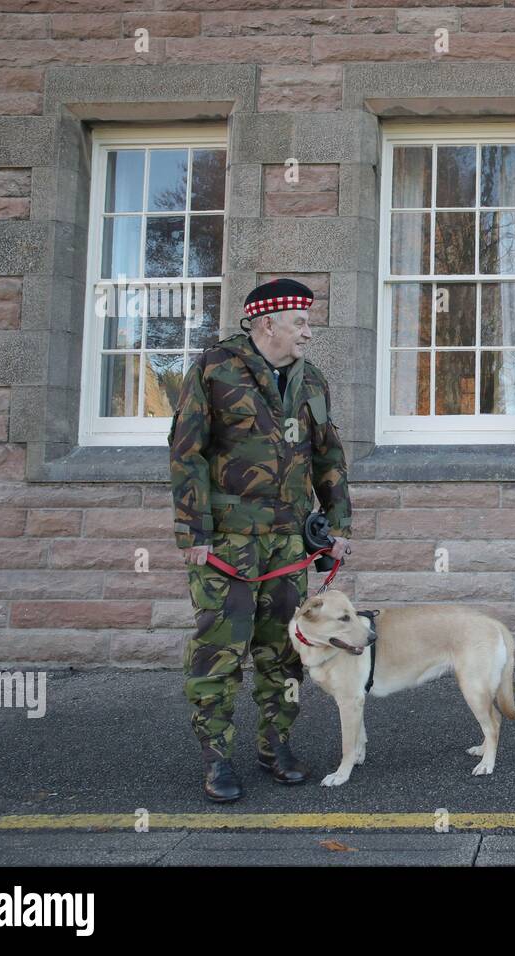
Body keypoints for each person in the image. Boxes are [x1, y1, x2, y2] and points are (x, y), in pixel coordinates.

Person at [169, 277, 352, 802]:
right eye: (301, 323)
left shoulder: (310, 380)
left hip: (289, 544)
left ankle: (276, 745)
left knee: (284, 652)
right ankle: (216, 756)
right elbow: (187, 455)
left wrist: (337, 527)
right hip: (227, 543)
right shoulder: (213, 369)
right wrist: (193, 531)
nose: (308, 334)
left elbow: (329, 458)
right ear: (267, 323)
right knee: (219, 650)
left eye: (308, 323)